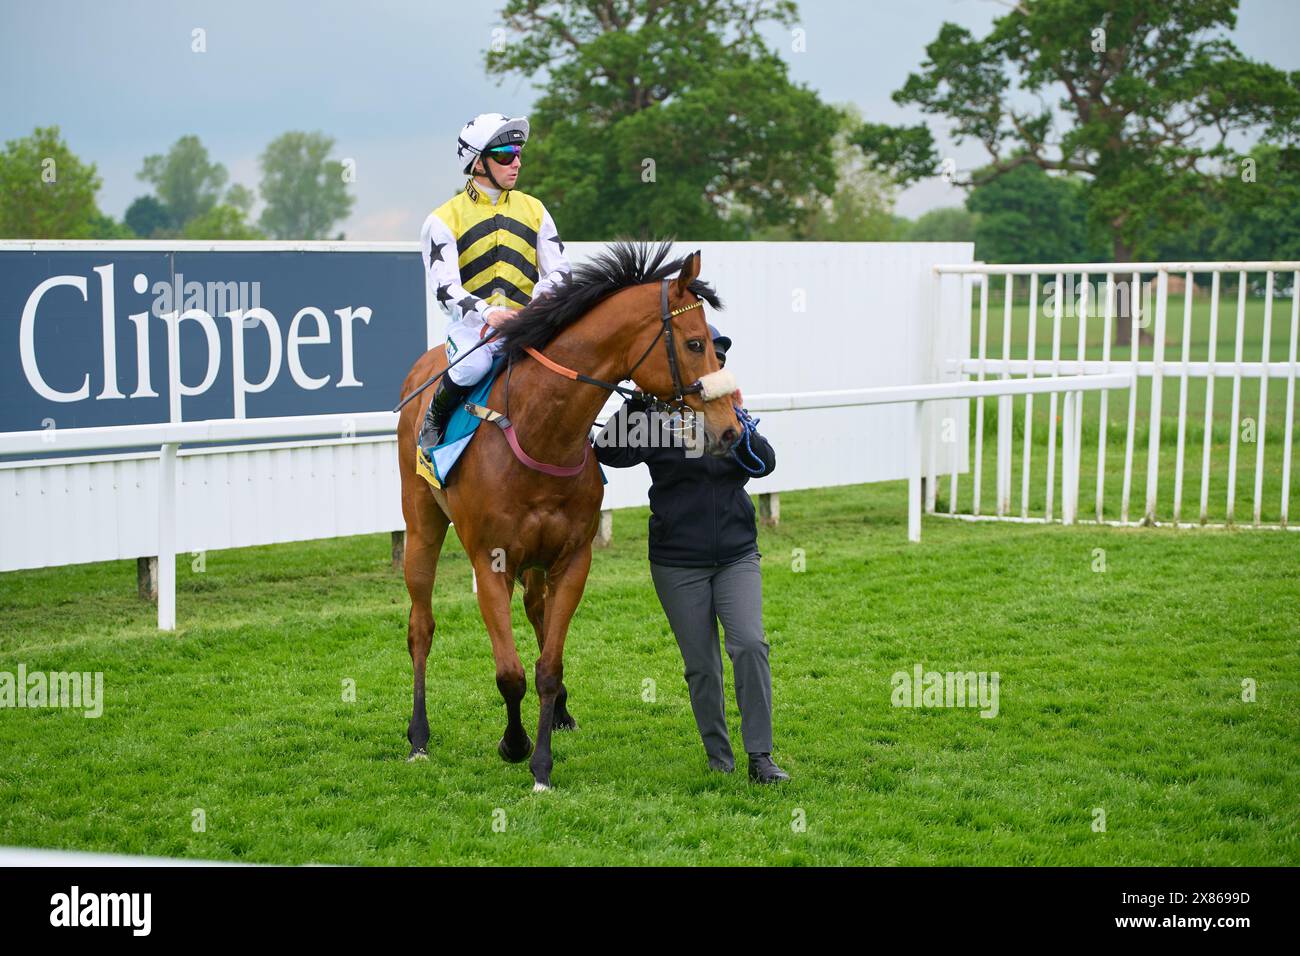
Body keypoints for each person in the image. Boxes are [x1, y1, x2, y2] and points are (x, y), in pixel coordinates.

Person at [593, 327, 790, 784]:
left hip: (737, 555)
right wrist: (640, 399)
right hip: (677, 562)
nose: (708, 370)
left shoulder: (728, 415)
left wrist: (737, 419)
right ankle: (719, 757)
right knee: (702, 666)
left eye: (715, 363)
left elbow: (766, 461)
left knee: (750, 645)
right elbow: (605, 450)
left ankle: (761, 758)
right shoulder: (653, 420)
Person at [417, 112, 571, 450]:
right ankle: (435, 417)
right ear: (477, 163)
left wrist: (538, 304)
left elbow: (561, 271)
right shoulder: (442, 220)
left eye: (518, 153)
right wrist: (489, 314)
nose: (515, 162)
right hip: (473, 330)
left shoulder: (535, 209)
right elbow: (445, 290)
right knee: (474, 365)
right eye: (504, 154)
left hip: (528, 323)